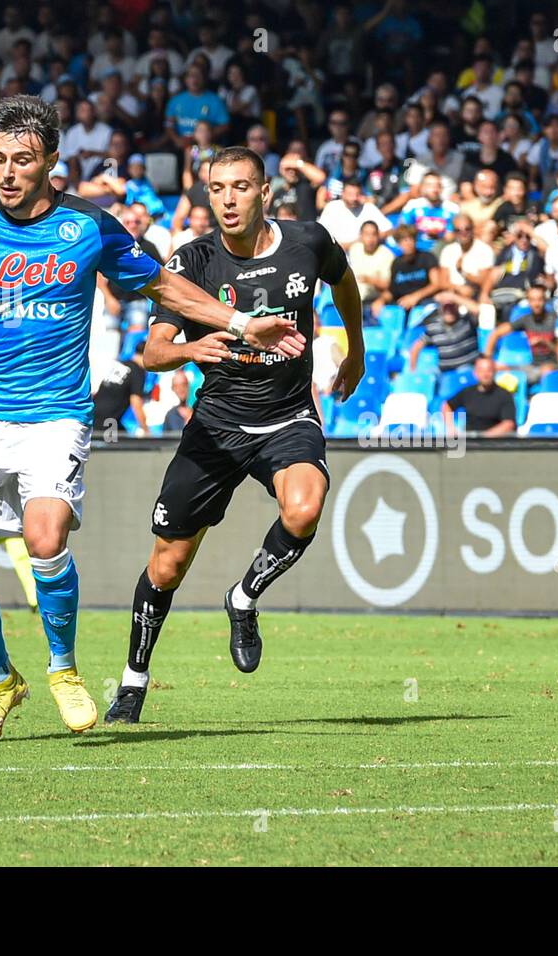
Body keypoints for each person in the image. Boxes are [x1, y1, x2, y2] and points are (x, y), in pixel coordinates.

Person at [0, 97, 303, 744]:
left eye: (22, 160)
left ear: (51, 161)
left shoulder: (88, 227)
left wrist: (241, 322)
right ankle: (0, 680)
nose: (7, 173)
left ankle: (63, 669)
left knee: (45, 539)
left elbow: (164, 286)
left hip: (54, 418)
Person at [104, 146, 361, 724]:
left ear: (264, 193)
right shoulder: (191, 260)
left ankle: (243, 598)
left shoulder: (308, 242)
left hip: (289, 415)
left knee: (305, 506)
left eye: (240, 187)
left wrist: (357, 351)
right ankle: (133, 680)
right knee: (167, 567)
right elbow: (153, 352)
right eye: (217, 188)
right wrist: (192, 348)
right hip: (216, 425)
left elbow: (345, 285)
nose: (227, 199)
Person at [443, 356, 515, 436]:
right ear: (475, 373)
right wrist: (451, 427)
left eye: (489, 370)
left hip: (494, 442)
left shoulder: (504, 395)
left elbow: (508, 424)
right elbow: (447, 406)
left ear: (495, 371)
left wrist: (484, 438)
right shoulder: (467, 392)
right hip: (469, 439)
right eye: (481, 370)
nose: (485, 374)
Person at [92, 340, 148, 434]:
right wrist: (146, 430)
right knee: (114, 447)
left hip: (94, 414)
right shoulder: (138, 371)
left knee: (123, 437)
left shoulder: (121, 364)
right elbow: (136, 402)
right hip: (108, 421)